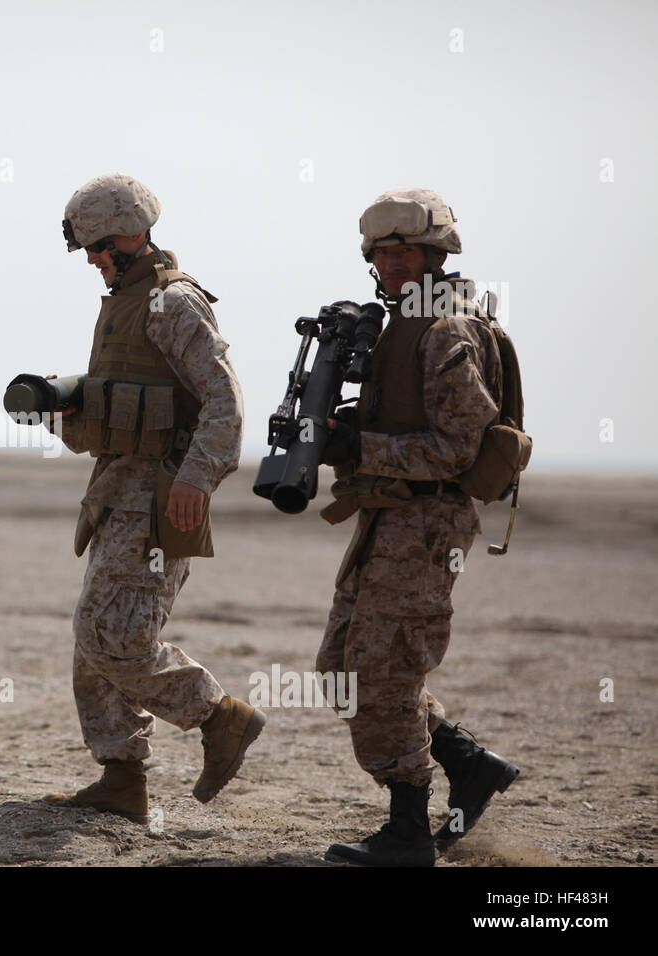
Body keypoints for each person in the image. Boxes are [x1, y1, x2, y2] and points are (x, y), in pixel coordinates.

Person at [40, 173, 263, 824]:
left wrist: (196, 479)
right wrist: (71, 402)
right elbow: (132, 394)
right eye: (86, 247)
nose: (92, 259)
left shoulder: (173, 303)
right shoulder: (125, 301)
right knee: (94, 635)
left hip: (161, 492)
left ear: (135, 234)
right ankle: (121, 777)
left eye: (101, 245)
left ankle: (218, 715)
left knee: (115, 634)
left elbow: (225, 402)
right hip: (118, 489)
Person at [316, 188, 521, 866]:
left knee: (380, 675)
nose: (391, 263)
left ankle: (408, 833)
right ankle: (469, 765)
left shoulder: (445, 328)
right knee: (345, 666)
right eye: (380, 252)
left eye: (404, 250)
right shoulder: (407, 320)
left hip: (427, 524)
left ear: (436, 252)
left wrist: (361, 449)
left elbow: (459, 446)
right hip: (390, 517)